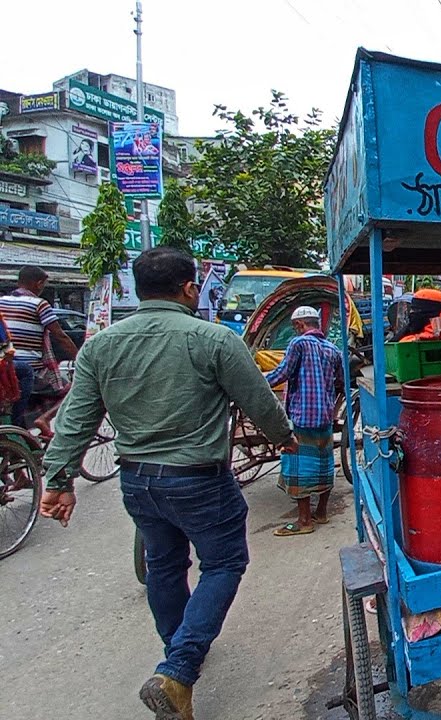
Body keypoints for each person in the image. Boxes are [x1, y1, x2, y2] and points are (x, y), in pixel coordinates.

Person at [39, 247, 296, 720]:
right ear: (190, 288)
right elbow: (259, 400)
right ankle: (177, 670)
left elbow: (75, 421)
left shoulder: (101, 346)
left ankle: (176, 653)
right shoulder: (212, 339)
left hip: (138, 482)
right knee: (224, 564)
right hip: (199, 480)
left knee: (164, 565)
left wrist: (58, 480)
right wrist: (285, 438)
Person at [265, 305, 344, 537]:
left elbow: (282, 373)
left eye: (295, 327)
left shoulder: (298, 344)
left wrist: (257, 383)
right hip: (325, 417)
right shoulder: (333, 349)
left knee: (300, 466)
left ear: (300, 325)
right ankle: (321, 511)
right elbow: (341, 381)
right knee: (323, 462)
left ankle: (304, 520)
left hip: (303, 416)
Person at [0, 266, 79, 432]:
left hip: (5, 367)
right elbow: (60, 336)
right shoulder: (39, 304)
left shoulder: (2, 301)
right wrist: (81, 358)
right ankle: (44, 419)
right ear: (39, 283)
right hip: (30, 370)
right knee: (73, 388)